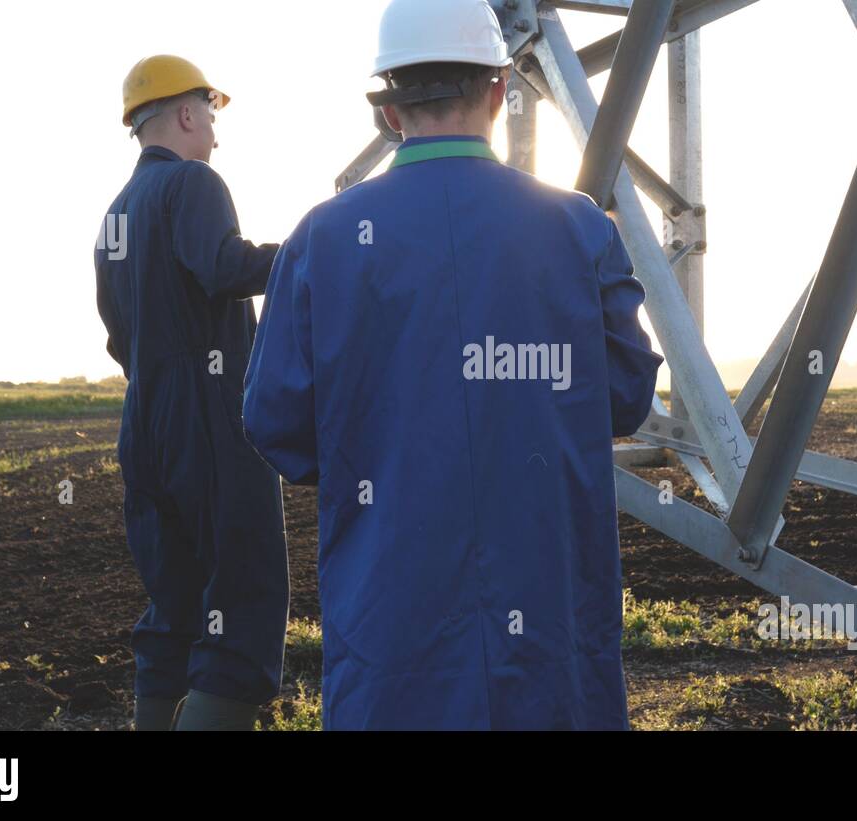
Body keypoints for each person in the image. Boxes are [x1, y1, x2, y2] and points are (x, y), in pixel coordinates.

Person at [243, 0, 663, 730]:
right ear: (499, 91)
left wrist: (379, 453)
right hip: (550, 637)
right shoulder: (579, 229)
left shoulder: (324, 239)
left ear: (386, 111)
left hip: (391, 638)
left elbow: (275, 423)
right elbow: (625, 397)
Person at [95, 55, 288, 731]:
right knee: (243, 597)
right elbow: (225, 265)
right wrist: (306, 253)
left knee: (174, 608)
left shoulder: (113, 217)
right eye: (211, 113)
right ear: (184, 112)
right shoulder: (194, 184)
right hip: (209, 416)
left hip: (143, 419)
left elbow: (119, 337)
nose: (215, 130)